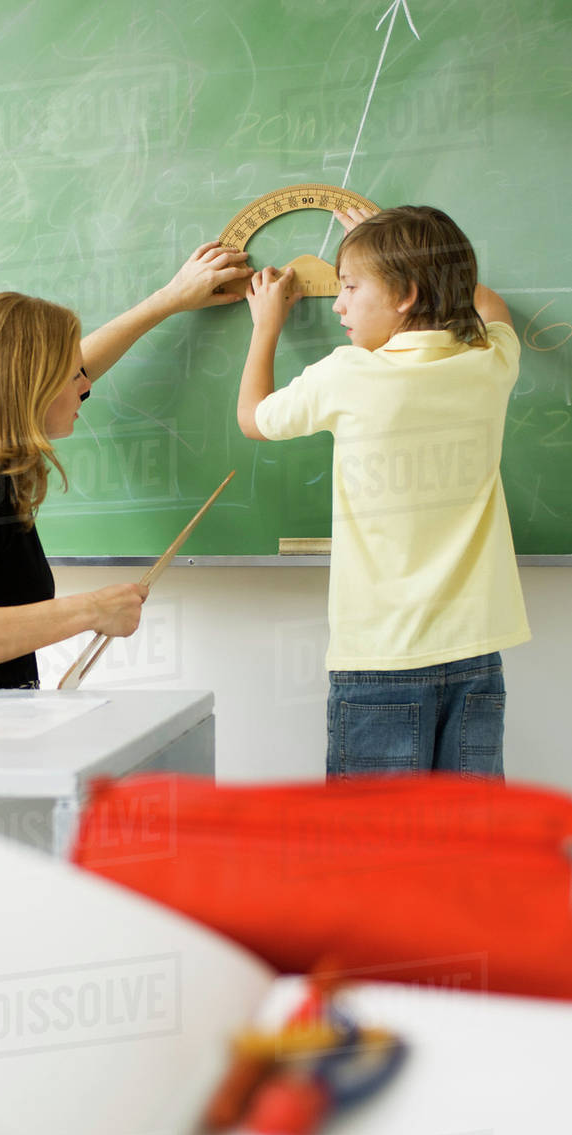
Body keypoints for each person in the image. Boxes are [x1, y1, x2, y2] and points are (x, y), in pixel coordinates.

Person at [235, 205, 530, 777]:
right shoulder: (489, 364)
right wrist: (392, 255)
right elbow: (488, 304)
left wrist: (266, 326)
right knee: (470, 843)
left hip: (380, 657)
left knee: (370, 855)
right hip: (475, 654)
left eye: (349, 286)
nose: (338, 302)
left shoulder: (348, 373)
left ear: (404, 295)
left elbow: (253, 418)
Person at [0, 242, 252, 689]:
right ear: (34, 387)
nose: (86, 385)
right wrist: (93, 609)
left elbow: (78, 363)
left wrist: (169, 300)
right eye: (74, 374)